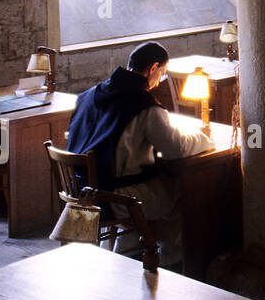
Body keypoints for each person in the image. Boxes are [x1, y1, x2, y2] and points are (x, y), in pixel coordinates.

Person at [66, 41, 213, 266]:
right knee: (183, 193)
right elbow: (175, 149)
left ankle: (125, 255)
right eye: (162, 72)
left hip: (81, 191)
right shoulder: (144, 104)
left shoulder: (88, 96)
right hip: (114, 196)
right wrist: (203, 138)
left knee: (153, 191)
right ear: (153, 68)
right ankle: (169, 262)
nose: (160, 79)